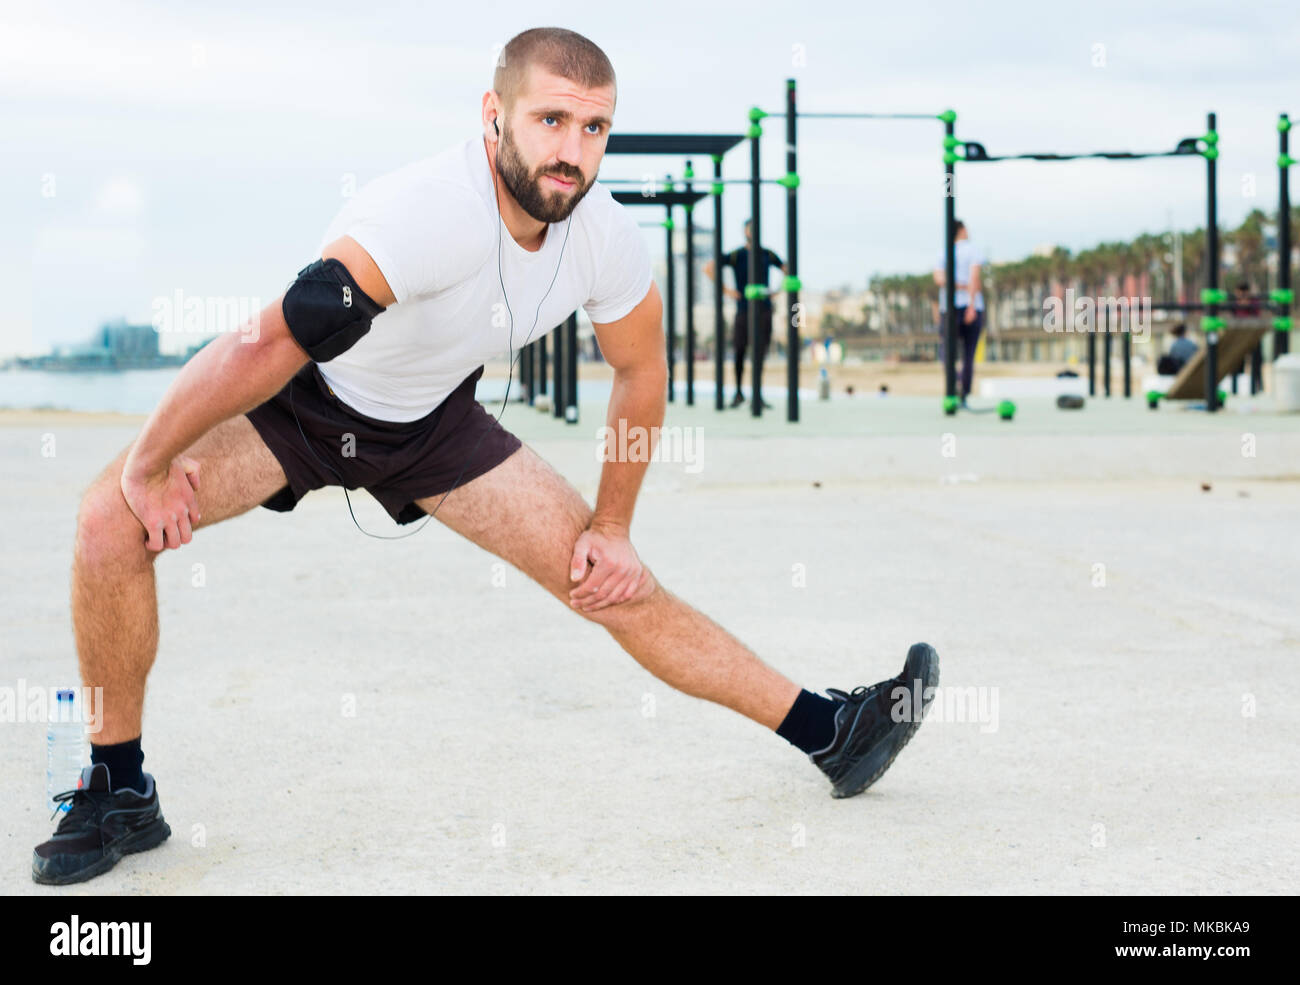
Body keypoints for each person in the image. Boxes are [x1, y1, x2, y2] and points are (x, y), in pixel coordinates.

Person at [34, 27, 938, 886]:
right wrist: (148, 463)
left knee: (613, 580)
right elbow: (268, 340)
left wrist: (614, 525)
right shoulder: (424, 214)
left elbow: (640, 370)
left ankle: (835, 731)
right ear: (493, 115)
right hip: (303, 408)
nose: (572, 150)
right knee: (106, 518)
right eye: (551, 120)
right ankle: (120, 787)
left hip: (433, 426)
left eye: (594, 129)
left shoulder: (603, 238)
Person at [703, 220, 786, 408]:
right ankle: (739, 392)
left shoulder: (767, 254)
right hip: (743, 310)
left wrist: (778, 291)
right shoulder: (736, 255)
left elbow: (787, 270)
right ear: (745, 231)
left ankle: (758, 393)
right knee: (740, 351)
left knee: (761, 352)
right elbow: (708, 268)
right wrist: (726, 290)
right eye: (750, 229)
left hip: (764, 309)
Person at [932, 219, 986, 407]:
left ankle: (954, 385)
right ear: (961, 230)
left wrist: (957, 286)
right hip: (971, 306)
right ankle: (962, 392)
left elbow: (940, 279)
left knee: (946, 351)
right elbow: (975, 277)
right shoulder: (973, 249)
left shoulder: (943, 251)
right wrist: (971, 305)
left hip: (950, 307)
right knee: (968, 354)